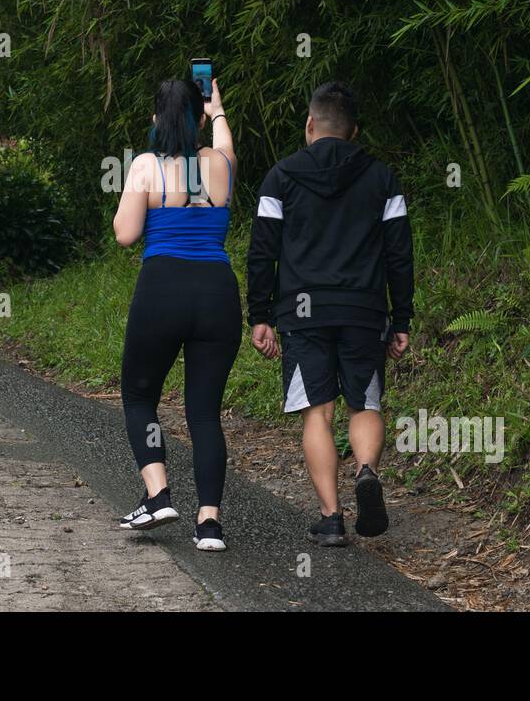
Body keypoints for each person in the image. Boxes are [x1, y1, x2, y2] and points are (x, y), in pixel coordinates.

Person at [246, 80, 414, 546]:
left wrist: (259, 314)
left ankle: (332, 518)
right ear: (354, 131)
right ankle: (365, 469)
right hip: (364, 309)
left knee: (317, 413)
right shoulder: (382, 178)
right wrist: (402, 319)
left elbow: (263, 252)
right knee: (365, 402)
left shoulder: (281, 175)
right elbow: (400, 254)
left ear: (309, 124)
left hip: (304, 313)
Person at [112, 76, 239, 552]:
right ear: (200, 118)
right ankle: (209, 523)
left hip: (162, 290)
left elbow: (125, 234)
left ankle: (158, 493)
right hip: (217, 294)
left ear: (154, 120)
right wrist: (218, 107)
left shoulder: (146, 165)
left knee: (140, 395)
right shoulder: (221, 164)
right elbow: (224, 139)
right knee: (205, 413)